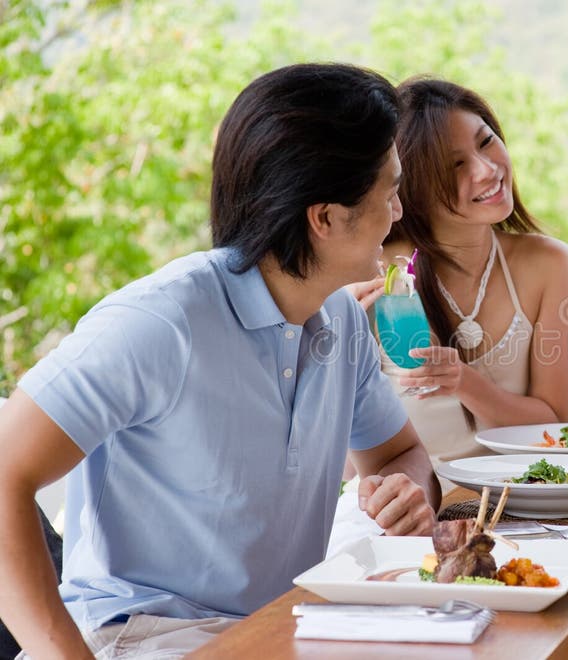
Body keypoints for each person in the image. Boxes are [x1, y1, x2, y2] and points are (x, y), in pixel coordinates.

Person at [0, 62, 440, 659]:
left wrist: (404, 490)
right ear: (326, 218)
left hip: (276, 633)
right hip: (140, 635)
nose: (398, 211)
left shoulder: (341, 321)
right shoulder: (160, 322)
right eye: (389, 192)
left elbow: (398, 453)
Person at [361, 77, 568, 470]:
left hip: (522, 501)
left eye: (485, 142)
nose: (486, 170)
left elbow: (553, 426)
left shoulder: (549, 263)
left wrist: (463, 381)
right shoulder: (377, 274)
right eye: (455, 165)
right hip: (409, 509)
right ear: (412, 187)